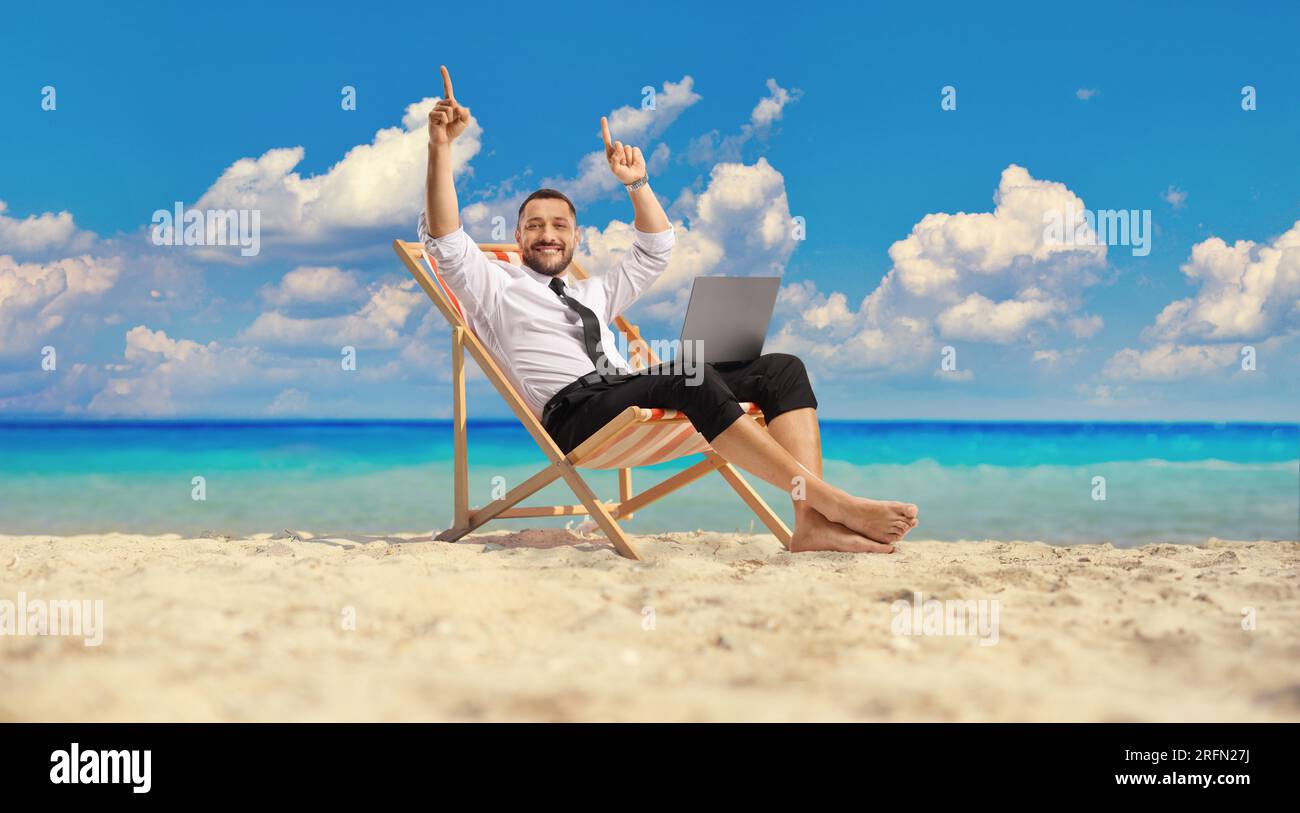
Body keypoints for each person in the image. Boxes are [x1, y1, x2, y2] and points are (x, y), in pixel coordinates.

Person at [420, 66, 917, 553]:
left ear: (576, 237)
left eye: (559, 225)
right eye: (534, 226)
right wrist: (441, 147)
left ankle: (811, 524)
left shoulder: (593, 291)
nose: (547, 234)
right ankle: (831, 500)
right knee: (688, 376)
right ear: (518, 236)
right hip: (577, 417)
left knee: (782, 371)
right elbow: (444, 237)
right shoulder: (491, 285)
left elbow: (655, 249)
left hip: (624, 392)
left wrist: (636, 184)